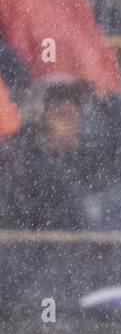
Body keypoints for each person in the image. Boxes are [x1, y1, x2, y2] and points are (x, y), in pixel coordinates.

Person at [0, 80, 106, 229]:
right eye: (61, 115)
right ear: (42, 116)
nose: (70, 125)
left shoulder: (83, 159)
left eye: (74, 117)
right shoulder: (14, 156)